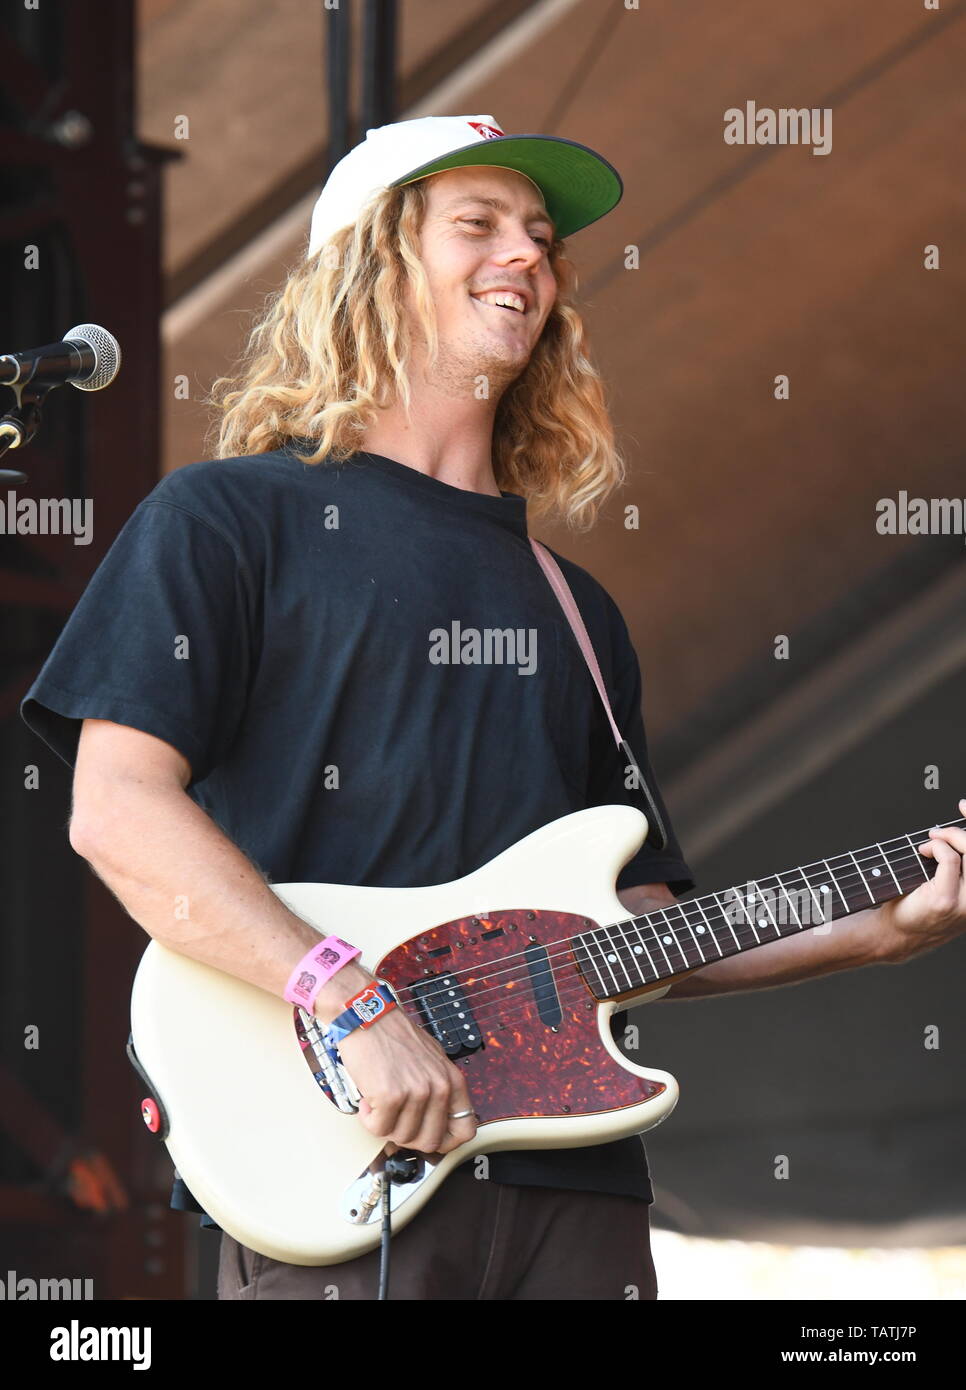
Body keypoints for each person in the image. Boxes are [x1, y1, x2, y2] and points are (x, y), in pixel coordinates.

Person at [20, 114, 966, 1302]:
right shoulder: (226, 521)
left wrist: (871, 928)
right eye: (477, 224)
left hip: (577, 1190)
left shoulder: (577, 610)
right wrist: (348, 1000)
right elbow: (115, 809)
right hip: (341, 1165)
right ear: (371, 263)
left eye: (540, 237)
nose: (528, 254)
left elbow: (637, 932)